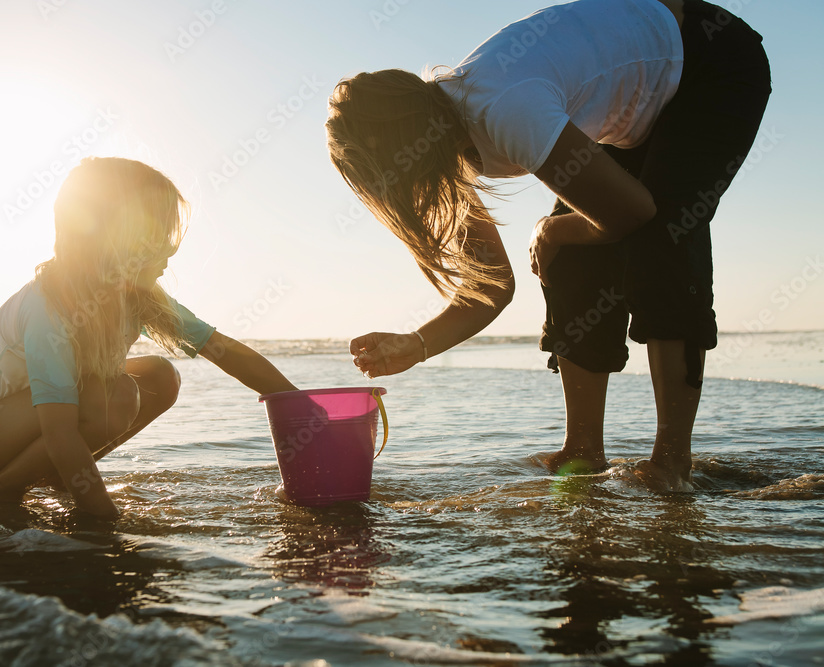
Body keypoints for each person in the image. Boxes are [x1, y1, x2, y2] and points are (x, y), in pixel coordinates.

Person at [326, 0, 771, 490]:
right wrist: (416, 344)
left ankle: (671, 460)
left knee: (661, 232)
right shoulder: (445, 133)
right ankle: (583, 449)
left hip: (710, 62)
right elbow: (492, 288)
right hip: (636, 99)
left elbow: (631, 213)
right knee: (573, 254)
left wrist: (551, 228)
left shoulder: (505, 110)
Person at [0, 157, 297, 518]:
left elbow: (224, 351)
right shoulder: (50, 308)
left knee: (158, 376)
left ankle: (59, 476)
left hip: (26, 420)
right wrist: (108, 521)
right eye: (156, 238)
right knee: (115, 395)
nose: (169, 253)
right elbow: (59, 430)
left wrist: (304, 407)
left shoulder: (138, 295)